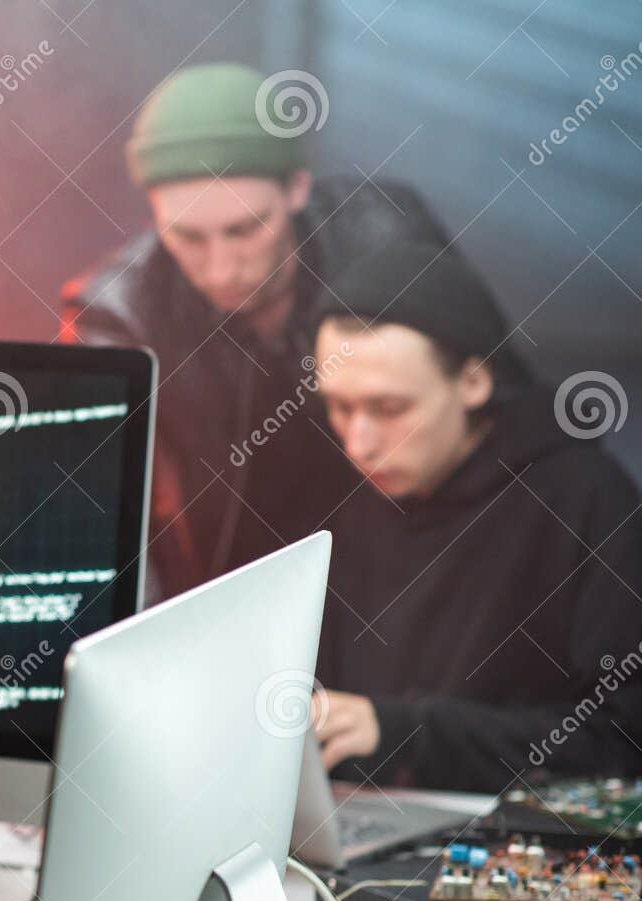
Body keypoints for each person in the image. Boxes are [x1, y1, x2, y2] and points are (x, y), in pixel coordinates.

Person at [60, 62, 450, 598]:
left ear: (295, 188)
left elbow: (493, 422)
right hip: (227, 610)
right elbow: (101, 517)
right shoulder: (118, 314)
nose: (220, 269)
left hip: (410, 587)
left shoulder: (383, 236)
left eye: (245, 229)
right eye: (188, 237)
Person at [308, 243, 642, 792]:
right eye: (339, 409)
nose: (359, 444)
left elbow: (622, 737)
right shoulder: (351, 503)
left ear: (472, 382)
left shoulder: (584, 498)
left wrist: (409, 733)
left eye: (389, 410)